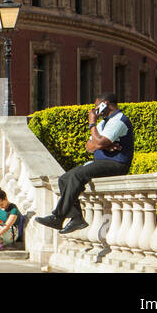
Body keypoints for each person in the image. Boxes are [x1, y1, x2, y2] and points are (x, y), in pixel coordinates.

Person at [33, 92, 134, 235]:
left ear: (105, 104)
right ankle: (76, 218)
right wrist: (104, 145)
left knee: (77, 175)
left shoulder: (119, 120)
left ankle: (58, 217)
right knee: (64, 179)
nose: (95, 110)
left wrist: (92, 124)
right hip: (101, 162)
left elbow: (98, 143)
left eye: (97, 106)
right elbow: (89, 146)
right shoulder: (104, 122)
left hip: (116, 163)